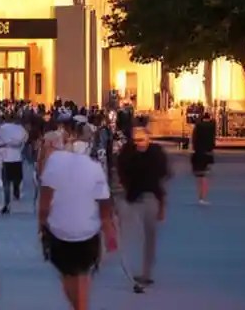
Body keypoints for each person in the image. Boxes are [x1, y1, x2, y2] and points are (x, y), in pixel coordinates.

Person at [39, 118, 116, 310]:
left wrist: (42, 225)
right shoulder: (94, 168)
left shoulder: (54, 164)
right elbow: (104, 204)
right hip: (87, 231)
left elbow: (44, 201)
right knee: (83, 274)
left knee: (67, 274)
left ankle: (78, 307)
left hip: (60, 230)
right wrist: (109, 229)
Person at [115, 125, 168, 293]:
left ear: (148, 139)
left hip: (150, 197)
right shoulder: (128, 154)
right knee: (129, 235)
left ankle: (146, 273)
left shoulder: (156, 155)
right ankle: (130, 269)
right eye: (136, 140)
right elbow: (121, 171)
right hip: (132, 198)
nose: (139, 143)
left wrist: (162, 205)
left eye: (142, 139)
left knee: (149, 237)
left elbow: (162, 178)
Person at [0, 114, 28, 214]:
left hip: (6, 158)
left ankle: (7, 203)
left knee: (6, 182)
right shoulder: (20, 129)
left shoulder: (2, 128)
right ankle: (16, 192)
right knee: (17, 178)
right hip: (17, 157)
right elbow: (24, 140)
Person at [190, 110, 216, 205]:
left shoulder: (198, 126)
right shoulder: (212, 126)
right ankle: (203, 197)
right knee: (205, 177)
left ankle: (200, 197)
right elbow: (214, 121)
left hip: (198, 152)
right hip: (208, 152)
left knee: (199, 177)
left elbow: (194, 137)